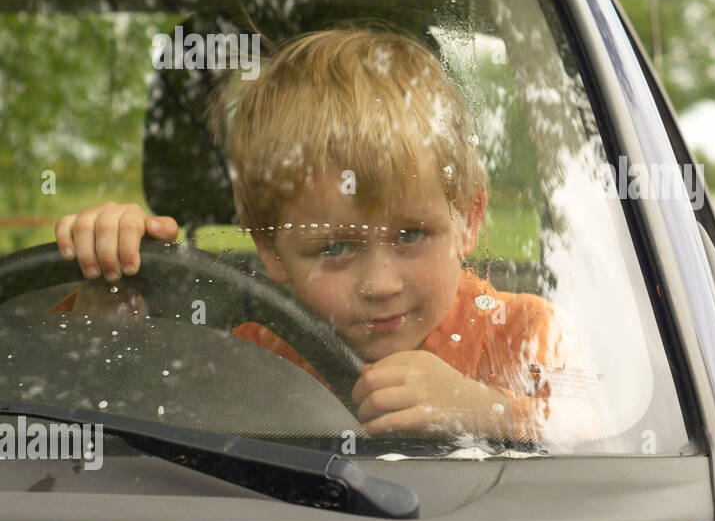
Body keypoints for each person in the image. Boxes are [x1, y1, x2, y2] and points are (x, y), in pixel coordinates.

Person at [51, 25, 600, 446]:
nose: (381, 284)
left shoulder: (523, 332)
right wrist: (109, 291)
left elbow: (600, 428)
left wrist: (483, 409)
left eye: (410, 235)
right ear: (270, 251)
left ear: (468, 218)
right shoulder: (256, 357)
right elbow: (96, 404)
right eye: (334, 248)